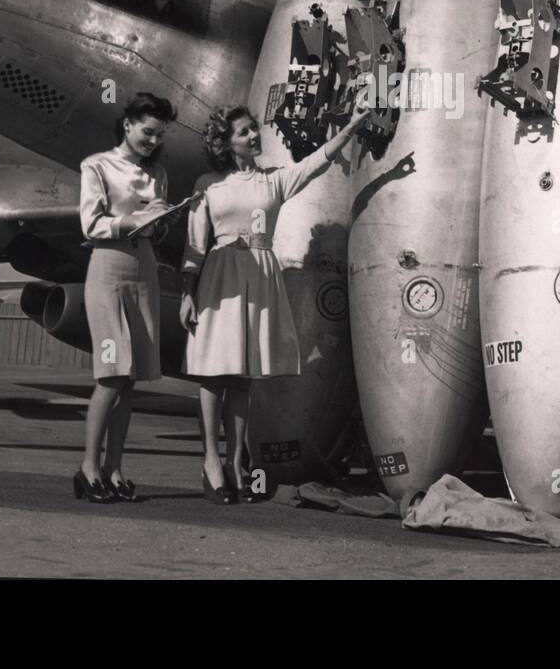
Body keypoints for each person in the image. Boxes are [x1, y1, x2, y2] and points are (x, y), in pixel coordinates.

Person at [181, 103, 368, 504]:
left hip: (261, 275)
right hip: (221, 276)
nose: (254, 136)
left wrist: (352, 123)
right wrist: (187, 293)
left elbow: (318, 161)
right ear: (227, 142)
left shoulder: (274, 182)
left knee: (243, 378)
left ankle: (235, 464)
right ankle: (211, 463)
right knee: (214, 375)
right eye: (244, 132)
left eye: (254, 129)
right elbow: (195, 245)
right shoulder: (207, 184)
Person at [75, 91, 178, 503]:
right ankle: (88, 468)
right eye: (147, 132)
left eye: (159, 136)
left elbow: (159, 228)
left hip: (144, 269)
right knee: (112, 373)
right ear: (128, 124)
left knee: (131, 379)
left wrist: (163, 221)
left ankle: (115, 470)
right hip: (108, 268)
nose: (152, 142)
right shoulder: (96, 165)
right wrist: (134, 219)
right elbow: (90, 223)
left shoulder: (160, 174)